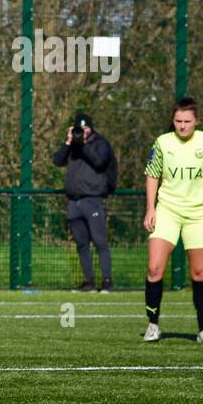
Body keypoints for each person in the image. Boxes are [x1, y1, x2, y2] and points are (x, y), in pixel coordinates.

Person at [142, 97, 203, 344]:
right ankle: (153, 325)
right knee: (155, 268)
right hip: (167, 210)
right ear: (173, 120)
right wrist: (150, 208)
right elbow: (152, 175)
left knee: (199, 273)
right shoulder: (162, 142)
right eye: (178, 121)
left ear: (197, 121)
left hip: (199, 213)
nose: (182, 126)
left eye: (187, 121)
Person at [51, 112, 117, 292]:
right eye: (80, 129)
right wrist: (68, 142)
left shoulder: (100, 143)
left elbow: (99, 162)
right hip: (74, 201)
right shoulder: (72, 145)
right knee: (81, 244)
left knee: (99, 241)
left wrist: (83, 145)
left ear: (91, 128)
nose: (84, 132)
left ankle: (107, 281)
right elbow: (57, 161)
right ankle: (89, 282)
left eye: (86, 128)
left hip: (93, 199)